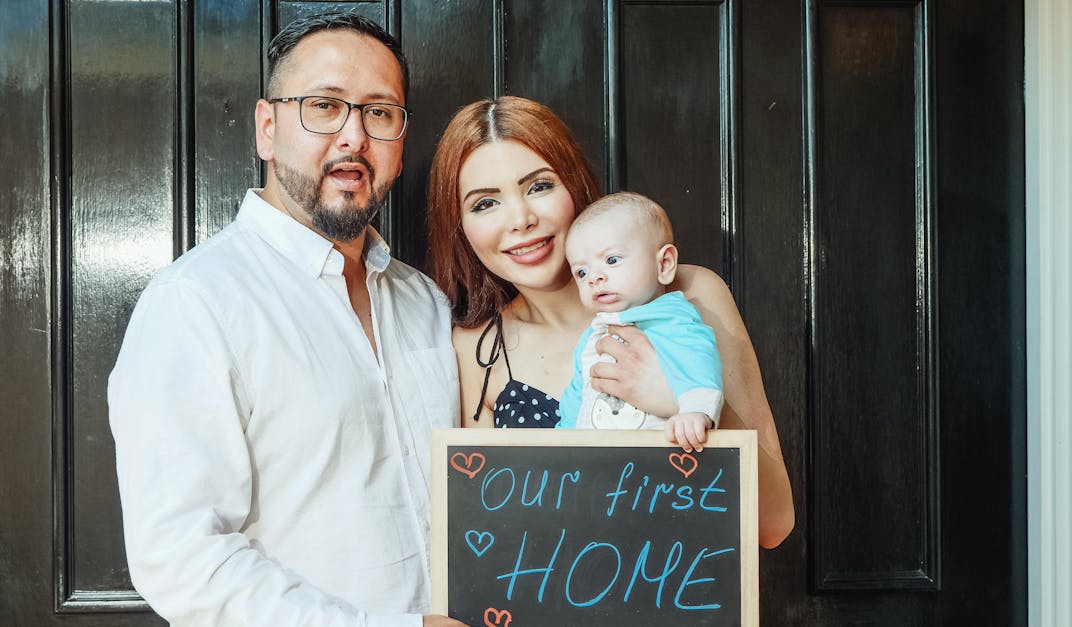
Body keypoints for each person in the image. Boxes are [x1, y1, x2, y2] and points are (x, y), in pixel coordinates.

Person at [108, 14, 467, 627]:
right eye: (324, 106)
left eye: (380, 113)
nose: (353, 136)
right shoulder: (196, 304)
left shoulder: (427, 303)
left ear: (401, 145)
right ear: (267, 129)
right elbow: (180, 555)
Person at [426, 96, 795, 549]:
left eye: (539, 186)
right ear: (459, 225)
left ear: (575, 187)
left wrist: (681, 398)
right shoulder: (478, 350)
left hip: (683, 598)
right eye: (484, 204)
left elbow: (774, 523)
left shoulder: (686, 295)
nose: (520, 219)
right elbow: (488, 540)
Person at [558, 192, 724, 454]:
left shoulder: (673, 320)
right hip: (594, 467)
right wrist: (560, 440)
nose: (594, 278)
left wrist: (696, 411)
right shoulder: (592, 335)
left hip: (656, 470)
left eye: (612, 260)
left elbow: (699, 363)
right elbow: (576, 395)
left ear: (664, 264)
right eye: (581, 272)